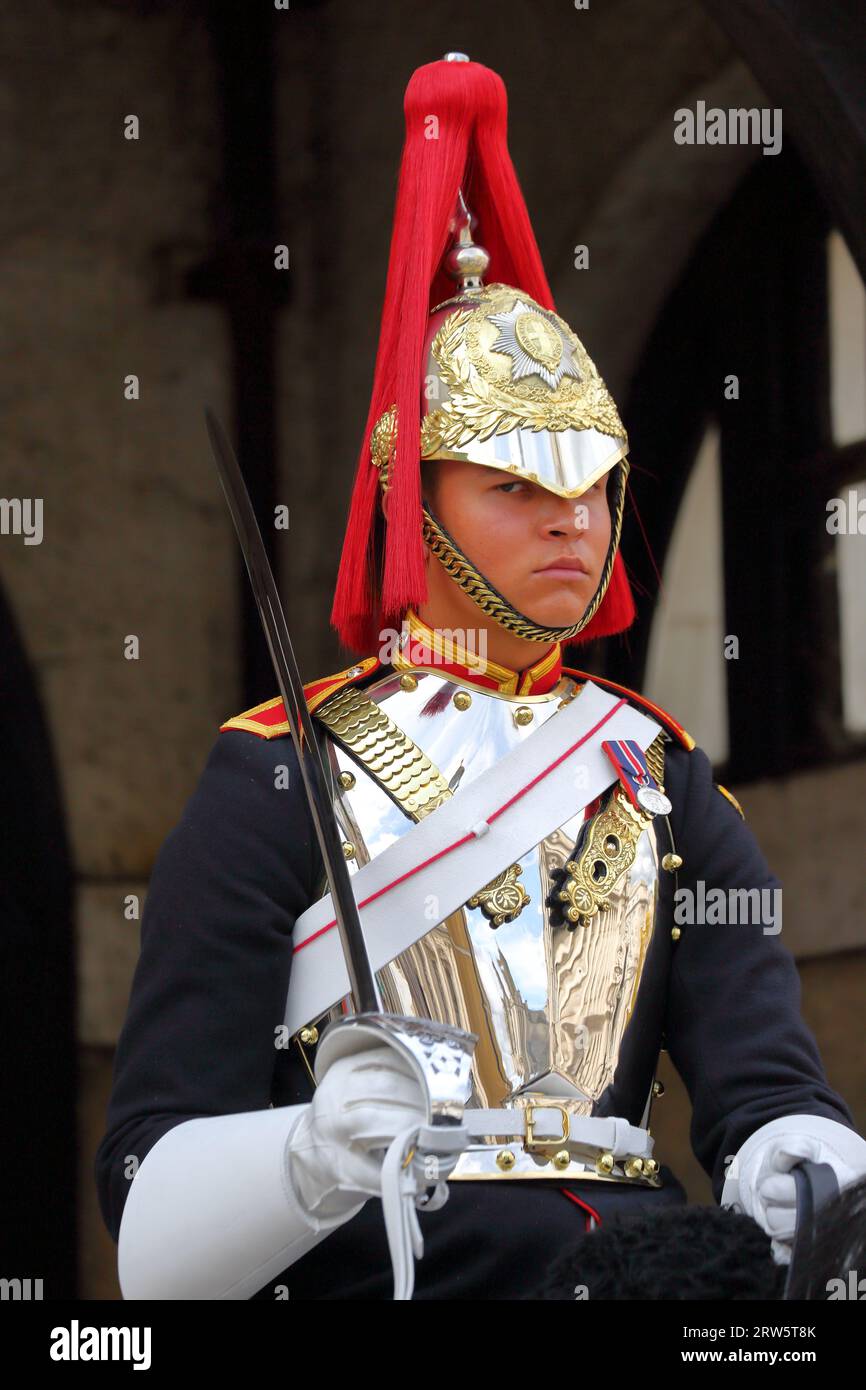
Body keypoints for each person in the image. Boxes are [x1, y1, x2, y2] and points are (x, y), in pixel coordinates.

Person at [95, 54, 866, 1301]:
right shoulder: (275, 771)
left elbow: (765, 1082)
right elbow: (150, 1194)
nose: (572, 520)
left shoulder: (657, 774)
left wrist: (798, 1158)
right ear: (416, 500)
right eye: (516, 485)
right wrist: (306, 1153)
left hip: (628, 1274)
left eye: (590, 483)